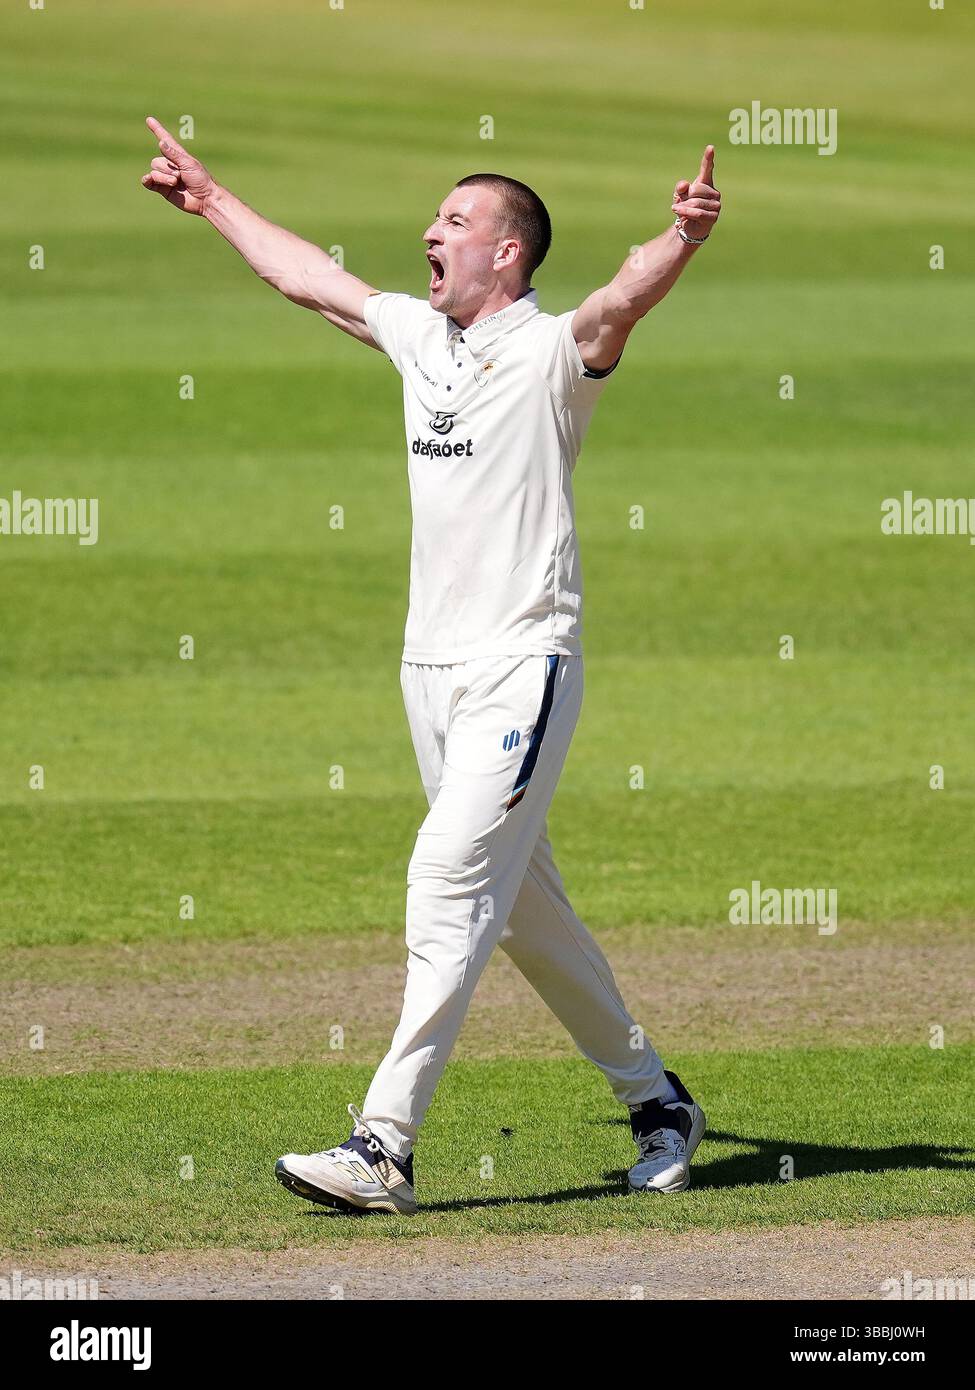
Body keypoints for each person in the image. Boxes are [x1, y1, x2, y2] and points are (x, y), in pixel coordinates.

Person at [141, 117, 722, 1214]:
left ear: (508, 251)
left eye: (455, 220)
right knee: (524, 914)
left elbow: (620, 299)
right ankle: (657, 1100)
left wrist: (682, 239)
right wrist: (211, 199)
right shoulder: (421, 338)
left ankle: (383, 1145)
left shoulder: (554, 353)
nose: (430, 231)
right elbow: (308, 279)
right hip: (428, 671)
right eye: (435, 217)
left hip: (521, 663)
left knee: (447, 880)